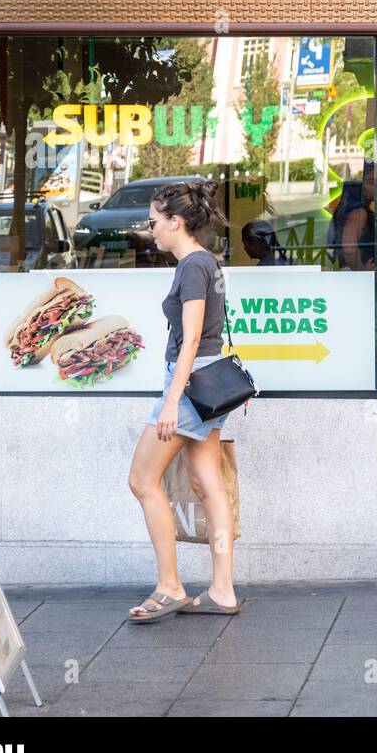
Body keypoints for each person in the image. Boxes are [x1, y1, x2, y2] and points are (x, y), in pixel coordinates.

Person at [125, 179, 242, 622]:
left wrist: (172, 401)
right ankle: (222, 590)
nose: (150, 229)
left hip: (191, 384)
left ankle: (170, 586)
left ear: (175, 222)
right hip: (210, 384)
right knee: (206, 482)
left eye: (154, 222)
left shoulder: (192, 266)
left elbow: (191, 337)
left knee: (141, 479)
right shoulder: (205, 262)